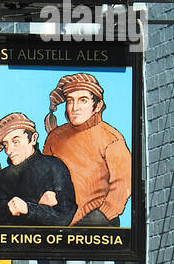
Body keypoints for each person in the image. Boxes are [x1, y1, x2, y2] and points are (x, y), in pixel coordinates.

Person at [42, 73, 132, 225]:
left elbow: (124, 185)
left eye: (83, 100)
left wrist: (99, 217)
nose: (75, 108)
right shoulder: (54, 137)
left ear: (97, 106)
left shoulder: (111, 139)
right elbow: (43, 179)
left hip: (99, 223)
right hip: (60, 224)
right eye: (70, 101)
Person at [0, 112, 77, 226]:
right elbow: (2, 225)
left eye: (15, 142)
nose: (8, 150)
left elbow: (65, 216)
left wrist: (28, 209)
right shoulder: (1, 179)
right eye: (5, 145)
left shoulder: (54, 166)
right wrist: (42, 206)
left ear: (33, 139)